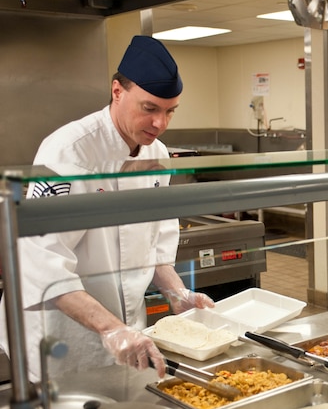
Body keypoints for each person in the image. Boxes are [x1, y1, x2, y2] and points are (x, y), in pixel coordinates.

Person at [0, 35, 214, 381]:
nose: (160, 124)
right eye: (150, 108)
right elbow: (41, 261)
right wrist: (110, 328)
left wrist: (178, 293)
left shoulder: (157, 154)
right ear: (117, 91)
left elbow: (154, 243)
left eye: (169, 111)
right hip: (63, 337)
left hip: (129, 331)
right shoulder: (67, 153)